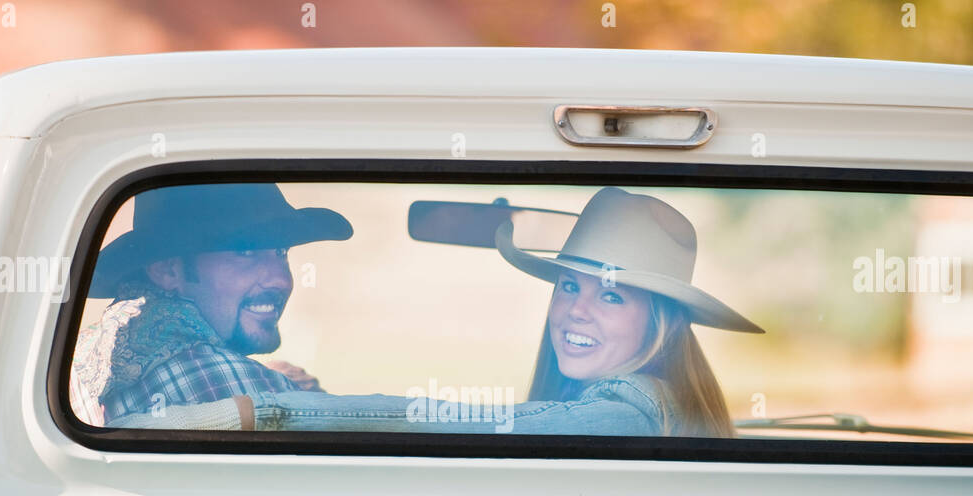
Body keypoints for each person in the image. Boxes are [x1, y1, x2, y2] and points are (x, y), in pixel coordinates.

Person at [109, 186, 762, 436]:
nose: (576, 313)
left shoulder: (629, 412)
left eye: (612, 294)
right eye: (569, 287)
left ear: (662, 321)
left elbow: (472, 424)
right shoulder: (192, 368)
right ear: (168, 271)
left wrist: (267, 407)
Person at [70, 182, 352, 425]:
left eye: (281, 253)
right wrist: (300, 398)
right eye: (245, 251)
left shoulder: (87, 363)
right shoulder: (220, 378)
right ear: (168, 270)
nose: (281, 280)